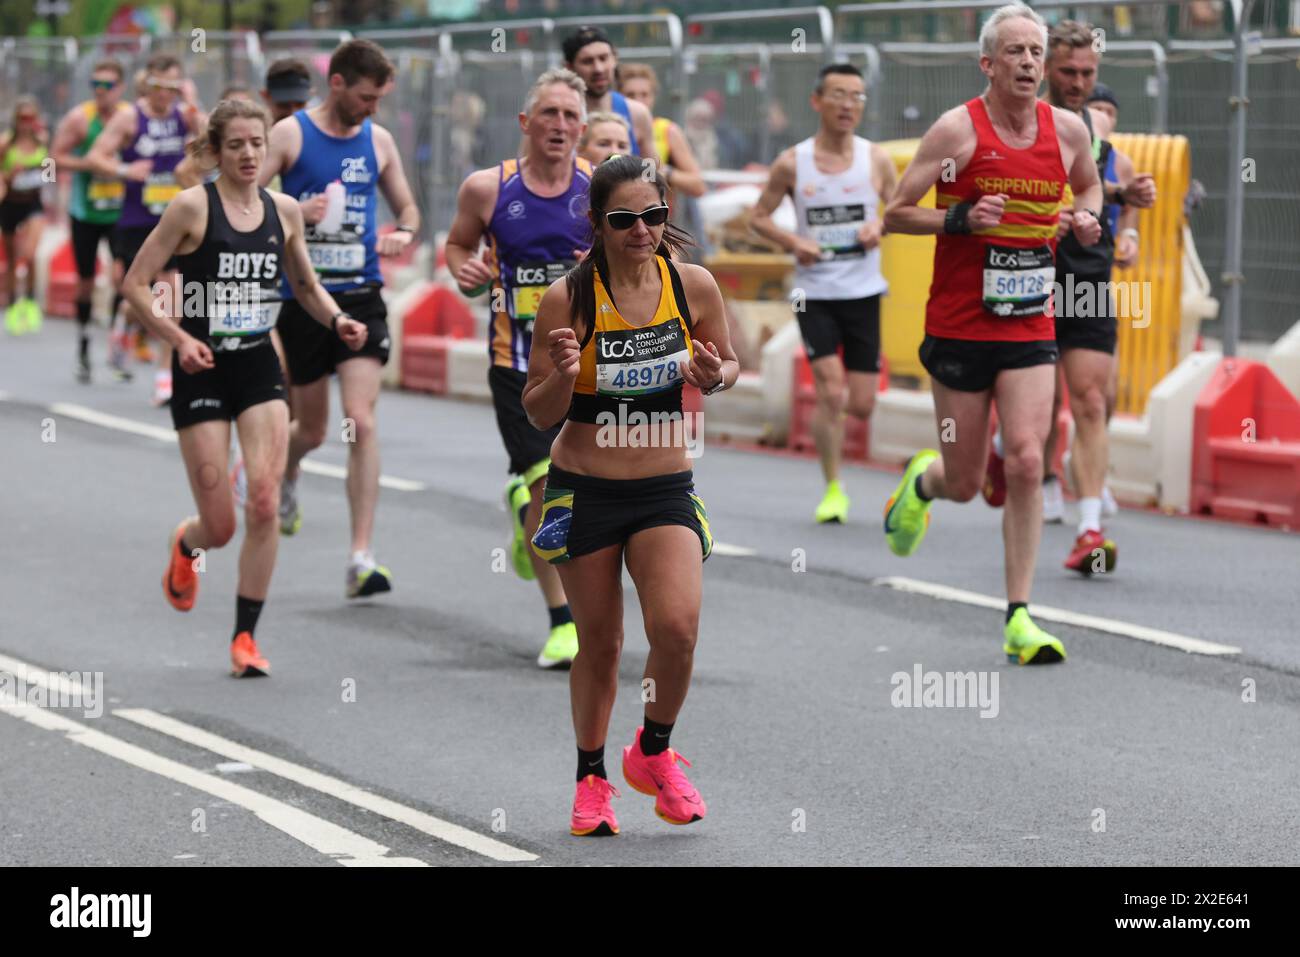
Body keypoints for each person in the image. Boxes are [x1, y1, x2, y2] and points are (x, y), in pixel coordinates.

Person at [522, 154, 738, 836]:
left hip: (664, 487)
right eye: (624, 219)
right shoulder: (570, 298)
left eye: (654, 216)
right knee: (603, 642)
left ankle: (651, 750)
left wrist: (716, 372)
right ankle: (591, 777)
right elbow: (537, 411)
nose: (641, 230)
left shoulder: (692, 285)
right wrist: (561, 373)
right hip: (585, 488)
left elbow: (725, 361)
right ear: (596, 223)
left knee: (676, 628)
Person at [881, 3, 1103, 665]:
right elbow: (896, 212)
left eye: (1036, 52)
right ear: (988, 63)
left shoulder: (1067, 132)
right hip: (959, 326)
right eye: (1015, 52)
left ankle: (1019, 616)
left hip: (1031, 322)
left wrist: (1087, 221)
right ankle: (924, 484)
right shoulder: (956, 132)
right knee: (967, 479)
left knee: (1030, 460)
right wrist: (960, 222)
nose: (1030, 63)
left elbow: (1088, 189)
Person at [119, 97, 367, 676]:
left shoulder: (284, 212)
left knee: (262, 500)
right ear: (216, 151)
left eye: (257, 143)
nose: (249, 154)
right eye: (236, 145)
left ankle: (245, 639)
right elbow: (135, 284)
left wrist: (337, 320)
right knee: (222, 526)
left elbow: (304, 286)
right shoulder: (190, 209)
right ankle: (188, 543)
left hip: (258, 366)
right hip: (201, 370)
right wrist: (178, 338)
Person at [259, 39, 419, 598]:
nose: (373, 108)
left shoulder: (378, 140)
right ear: (338, 84)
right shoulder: (291, 134)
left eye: (380, 99)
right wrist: (295, 212)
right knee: (315, 428)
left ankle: (360, 556)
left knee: (363, 421)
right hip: (303, 298)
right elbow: (244, 204)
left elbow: (409, 207)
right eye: (367, 97)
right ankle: (284, 470)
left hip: (361, 297)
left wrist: (403, 231)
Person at [444, 68, 591, 669]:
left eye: (570, 116)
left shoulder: (599, 190)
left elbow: (649, 256)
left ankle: (531, 523)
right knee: (546, 484)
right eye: (549, 114)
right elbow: (457, 246)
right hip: (517, 365)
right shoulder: (488, 188)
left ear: (584, 128)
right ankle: (562, 622)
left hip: (589, 366)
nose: (559, 125)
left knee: (580, 493)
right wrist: (464, 270)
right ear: (526, 124)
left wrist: (604, 260)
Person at [751, 63, 896, 524]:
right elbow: (759, 216)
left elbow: (899, 207)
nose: (848, 104)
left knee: (863, 402)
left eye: (856, 96)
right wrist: (796, 243)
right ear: (817, 101)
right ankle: (833, 487)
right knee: (830, 392)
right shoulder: (794, 162)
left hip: (864, 291)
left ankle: (837, 473)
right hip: (813, 292)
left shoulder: (875, 159)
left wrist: (880, 224)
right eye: (838, 94)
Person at [1036, 21, 1155, 573]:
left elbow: (1120, 184)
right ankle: (1031, 474)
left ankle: (1088, 529)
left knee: (1090, 401)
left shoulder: (1100, 128)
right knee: (1040, 409)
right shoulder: (1020, 124)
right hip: (1026, 279)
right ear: (1044, 69)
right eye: (1068, 72)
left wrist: (1127, 222)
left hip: (1087, 278)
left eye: (1088, 72)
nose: (1079, 82)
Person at [87, 53, 205, 404]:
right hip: (137, 221)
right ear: (148, 82)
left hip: (175, 219)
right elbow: (96, 156)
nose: (165, 95)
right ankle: (124, 324)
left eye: (173, 88)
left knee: (175, 297)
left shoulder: (185, 115)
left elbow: (215, 140)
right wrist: (125, 171)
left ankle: (165, 375)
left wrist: (194, 105)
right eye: (159, 86)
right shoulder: (130, 117)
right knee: (136, 294)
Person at [51, 60, 133, 379]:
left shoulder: (130, 118)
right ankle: (84, 344)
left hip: (120, 212)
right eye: (95, 85)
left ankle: (116, 344)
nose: (101, 91)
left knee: (123, 277)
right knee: (85, 282)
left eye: (108, 85)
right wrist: (90, 164)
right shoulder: (80, 119)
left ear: (121, 88)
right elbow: (54, 158)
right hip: (85, 211)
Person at [560, 26, 657, 166]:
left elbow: (652, 175)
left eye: (603, 58)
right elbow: (528, 172)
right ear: (569, 67)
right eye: (587, 61)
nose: (598, 68)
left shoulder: (637, 113)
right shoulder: (556, 114)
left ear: (615, 59)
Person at [617, 63, 707, 201]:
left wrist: (663, 172)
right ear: (619, 98)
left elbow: (698, 186)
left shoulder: (667, 131)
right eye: (630, 95)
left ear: (653, 97)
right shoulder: (610, 128)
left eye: (644, 94)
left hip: (655, 215)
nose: (638, 101)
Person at [0, 98, 50, 336]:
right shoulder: (5, 145)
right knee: (11, 259)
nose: (26, 124)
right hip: (10, 203)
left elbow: (50, 174)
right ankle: (12, 304)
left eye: (30, 119)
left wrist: (42, 169)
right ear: (16, 120)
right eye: (22, 119)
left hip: (33, 204)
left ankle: (30, 301)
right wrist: (11, 174)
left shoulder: (43, 143)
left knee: (28, 255)